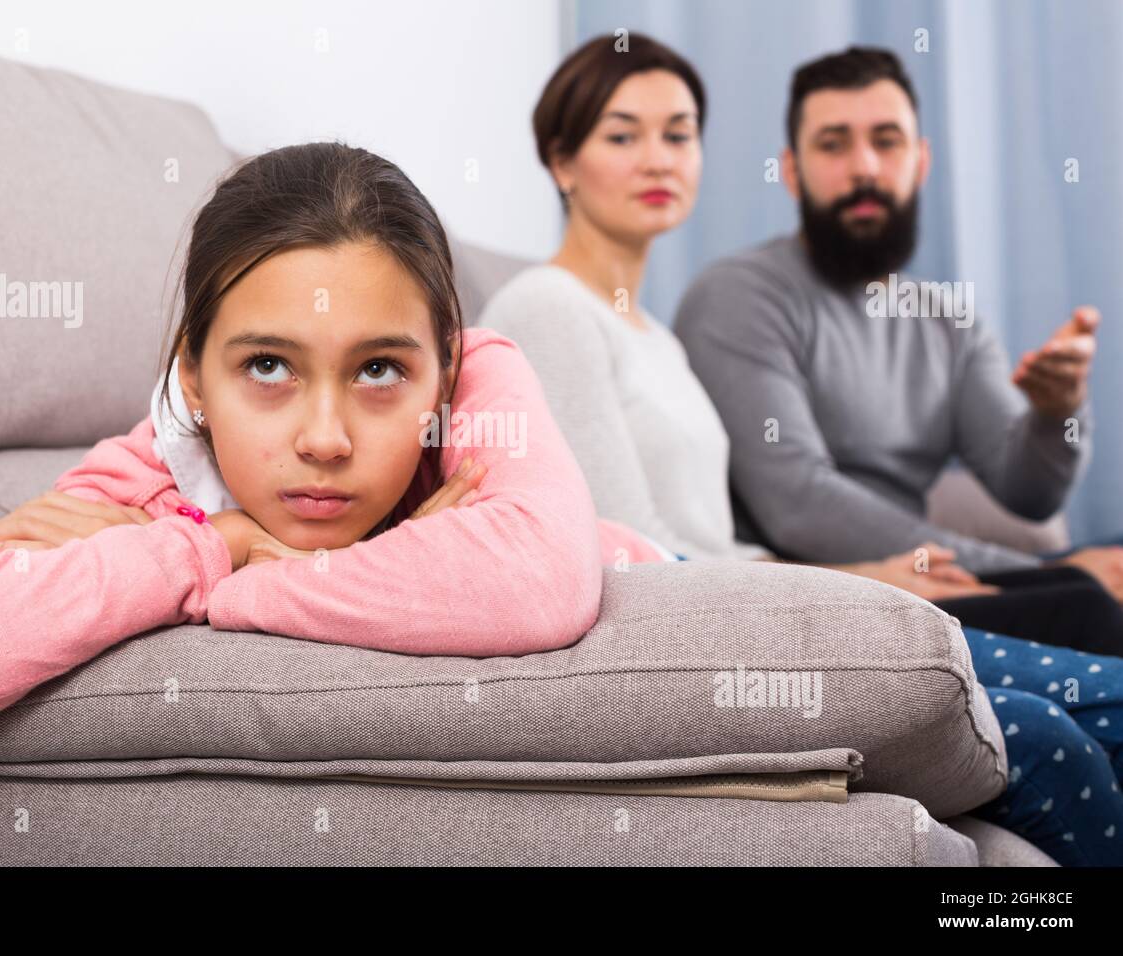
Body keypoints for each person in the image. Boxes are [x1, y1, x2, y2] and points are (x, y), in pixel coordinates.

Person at [477, 32, 1123, 865]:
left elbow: (1022, 484)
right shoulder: (548, 308)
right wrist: (857, 579)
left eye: (678, 133)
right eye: (621, 134)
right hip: (732, 635)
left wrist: (1059, 414)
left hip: (769, 606)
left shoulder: (657, 337)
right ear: (561, 162)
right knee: (1066, 712)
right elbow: (630, 561)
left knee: (1102, 696)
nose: (657, 158)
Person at [0, 141, 676, 754]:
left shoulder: (480, 378)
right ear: (191, 374)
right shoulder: (155, 479)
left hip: (668, 568)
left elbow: (539, 581)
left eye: (380, 369)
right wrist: (204, 545)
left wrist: (243, 578)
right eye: (268, 366)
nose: (325, 439)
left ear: (445, 367)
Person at [674, 47, 1123, 626]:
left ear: (921, 160)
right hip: (824, 602)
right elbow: (798, 506)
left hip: (939, 581)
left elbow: (1029, 494)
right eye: (833, 144)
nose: (864, 167)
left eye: (886, 141)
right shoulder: (740, 296)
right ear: (791, 170)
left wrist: (1058, 413)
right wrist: (1041, 574)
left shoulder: (948, 321)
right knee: (1091, 606)